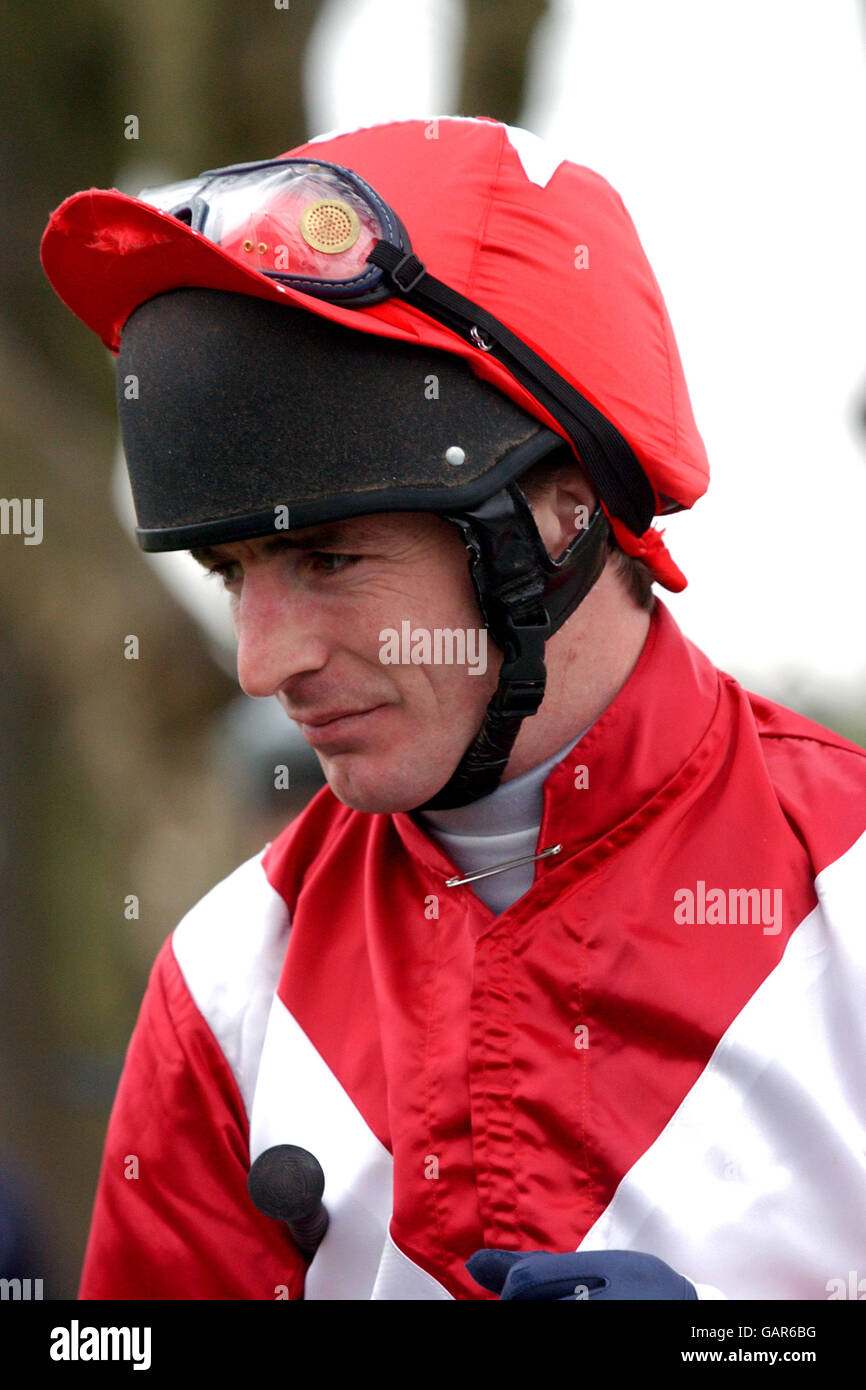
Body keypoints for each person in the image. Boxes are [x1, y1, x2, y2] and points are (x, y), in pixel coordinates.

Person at [41, 116, 866, 1301]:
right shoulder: (223, 983)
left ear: (563, 520)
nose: (260, 669)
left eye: (326, 558)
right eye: (232, 577)